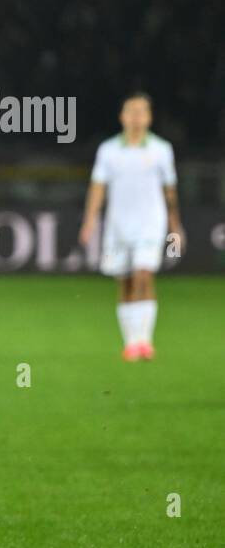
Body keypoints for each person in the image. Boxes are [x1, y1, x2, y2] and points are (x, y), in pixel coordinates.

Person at [79, 92, 181, 361]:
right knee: (124, 281)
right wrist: (90, 219)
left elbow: (169, 189)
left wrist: (175, 224)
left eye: (141, 112)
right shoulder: (108, 150)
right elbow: (98, 187)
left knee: (143, 274)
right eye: (131, 111)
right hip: (119, 225)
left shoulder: (161, 149)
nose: (136, 117)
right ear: (122, 117)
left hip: (151, 223)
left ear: (149, 117)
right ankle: (131, 342)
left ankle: (144, 341)